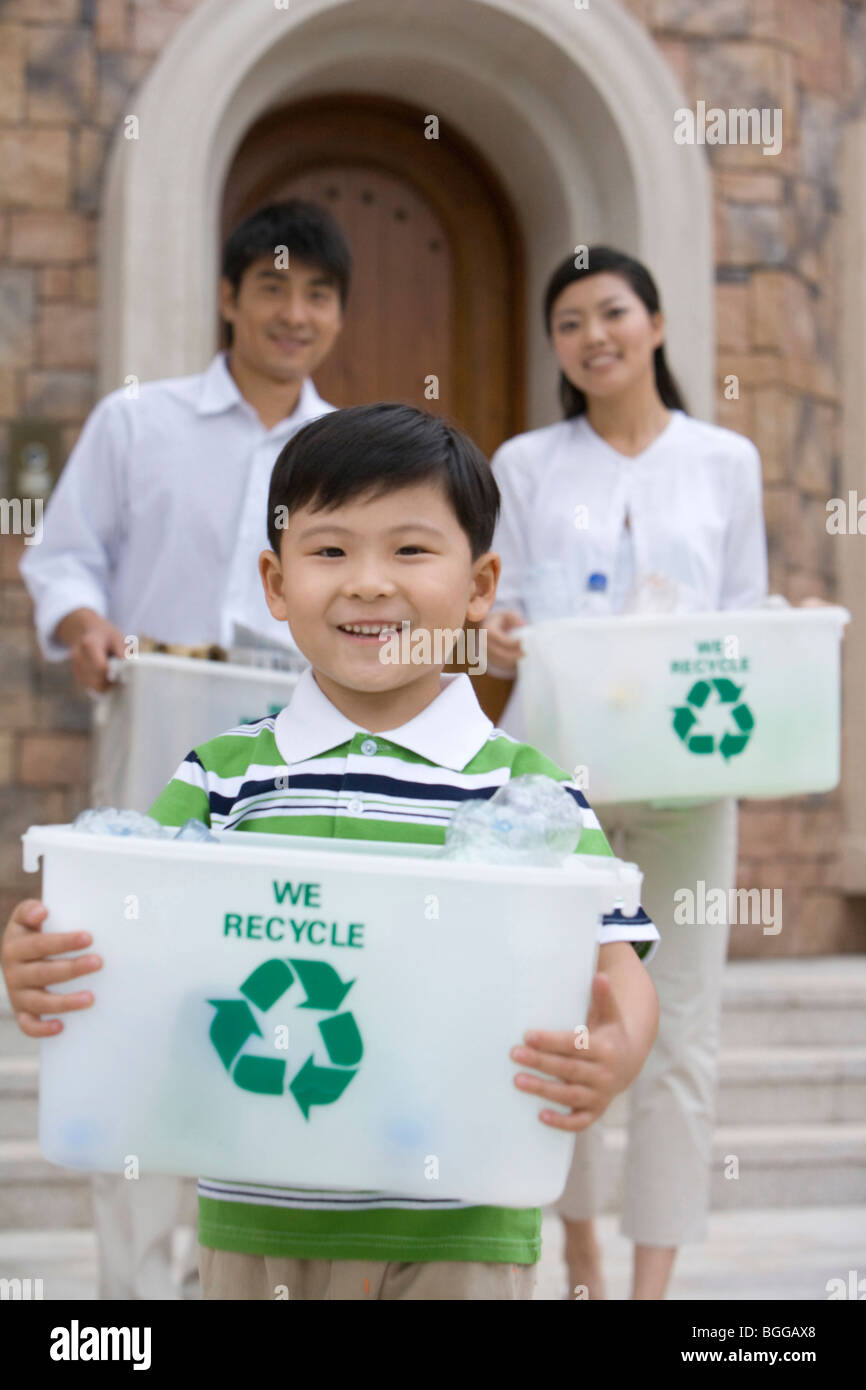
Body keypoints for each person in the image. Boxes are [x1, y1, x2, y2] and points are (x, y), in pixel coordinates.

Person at [2, 403, 660, 1301]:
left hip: (462, 1224)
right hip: (257, 1229)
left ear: (480, 586)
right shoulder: (222, 777)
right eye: (331, 550)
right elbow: (127, 936)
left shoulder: (529, 794)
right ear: (275, 585)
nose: (368, 584)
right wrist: (43, 963)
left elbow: (617, 968)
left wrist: (616, 1049)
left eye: (411, 550)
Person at [15, 199, 351, 1300]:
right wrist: (84, 625)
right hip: (155, 736)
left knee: (271, 980)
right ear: (228, 297)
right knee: (134, 995)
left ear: (337, 315)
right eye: (273, 288)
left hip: (294, 758)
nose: (294, 314)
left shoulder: (347, 454)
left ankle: (243, 1276)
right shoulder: (137, 422)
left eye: (317, 295)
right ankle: (137, 1296)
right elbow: (63, 557)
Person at [482, 247, 769, 1300]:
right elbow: (497, 605)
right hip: (559, 789)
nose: (592, 336)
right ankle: (580, 1253)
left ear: (654, 323)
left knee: (680, 1034)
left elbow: (746, 613)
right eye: (568, 322)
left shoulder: (724, 462)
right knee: (561, 1018)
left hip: (690, 782)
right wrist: (497, 631)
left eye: (611, 312)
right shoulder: (525, 464)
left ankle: (652, 1284)